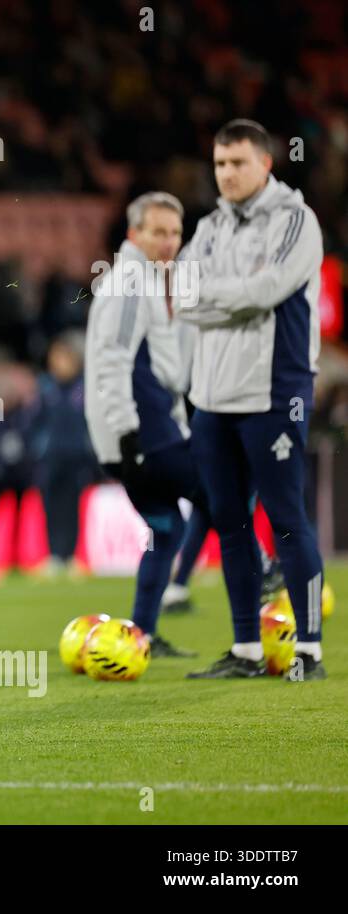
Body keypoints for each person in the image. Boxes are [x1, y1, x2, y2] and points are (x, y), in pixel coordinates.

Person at [176, 120, 326, 680]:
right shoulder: (210, 227)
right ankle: (245, 649)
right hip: (212, 396)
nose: (227, 174)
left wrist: (217, 296)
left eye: (237, 163)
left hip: (273, 390)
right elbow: (183, 300)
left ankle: (308, 650)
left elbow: (271, 290)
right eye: (219, 164)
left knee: (287, 519)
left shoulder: (296, 220)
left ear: (266, 163)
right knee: (229, 522)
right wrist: (235, 299)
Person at [84, 191, 195, 658]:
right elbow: (114, 361)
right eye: (158, 232)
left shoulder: (142, 280)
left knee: (166, 528)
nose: (168, 242)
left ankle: (142, 635)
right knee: (227, 492)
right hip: (142, 435)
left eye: (174, 232)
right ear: (134, 234)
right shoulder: (131, 281)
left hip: (135, 434)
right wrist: (128, 433)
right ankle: (259, 614)